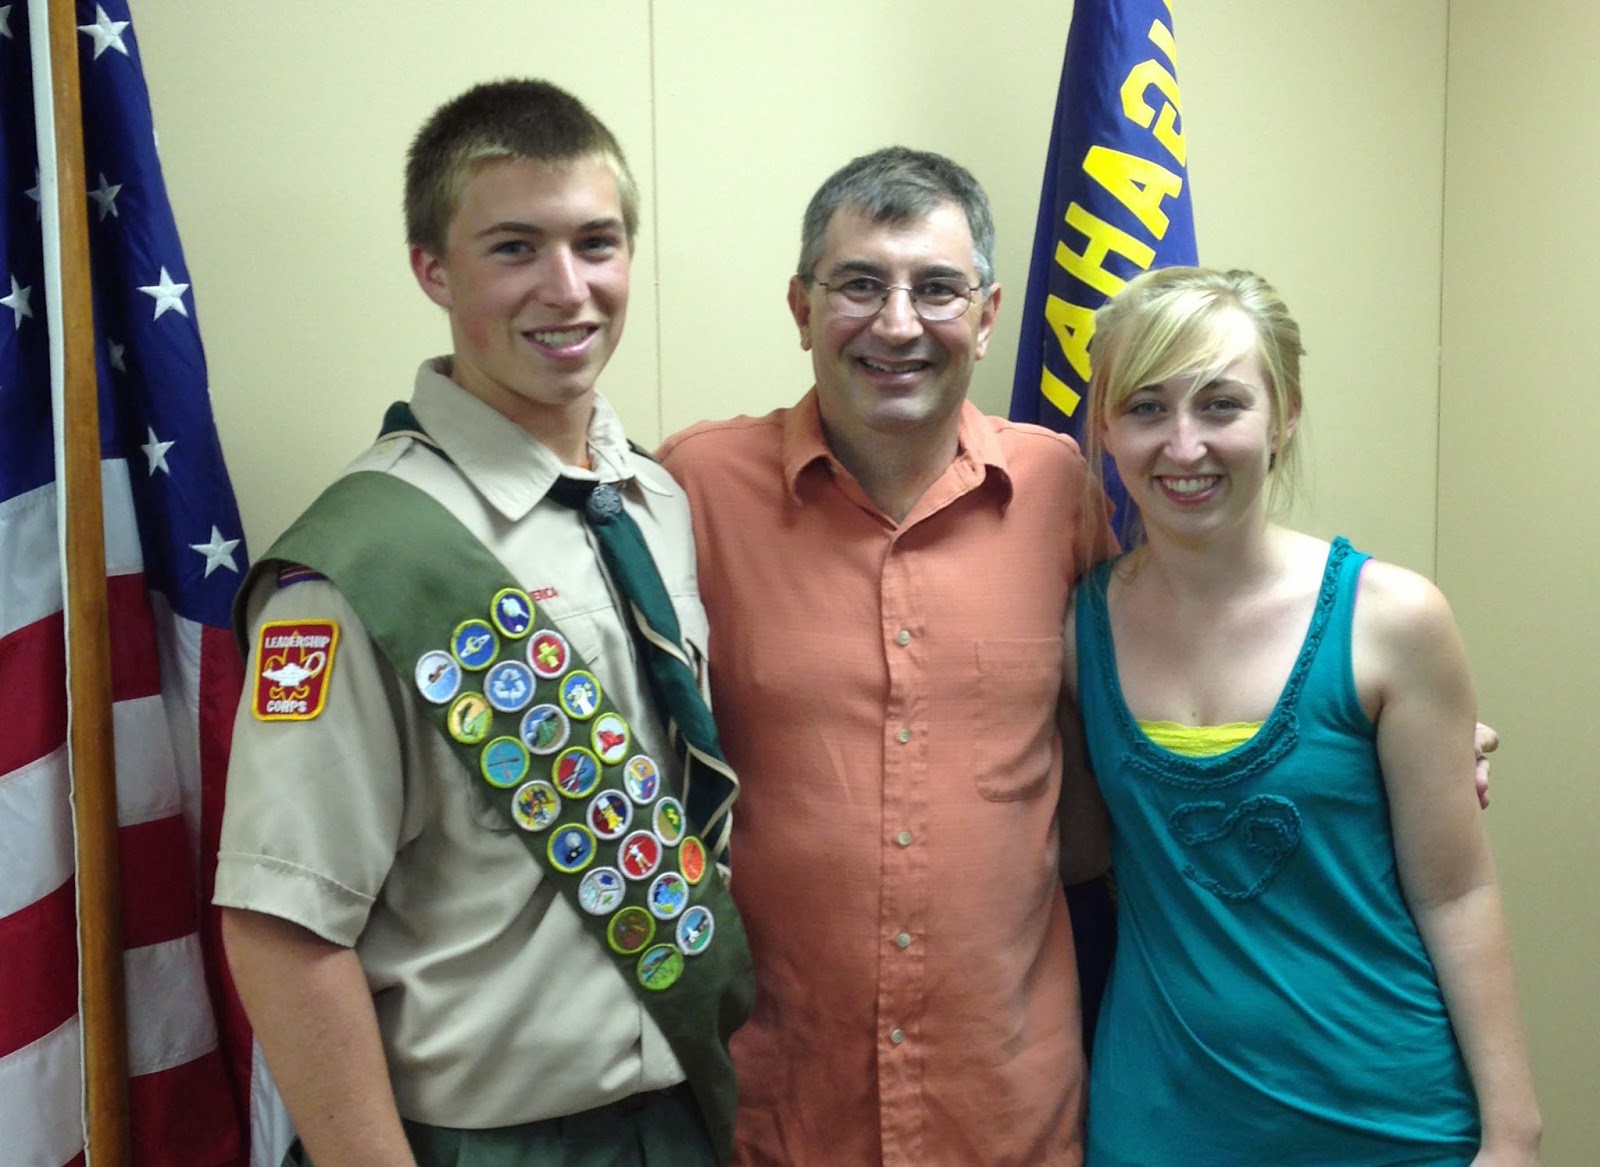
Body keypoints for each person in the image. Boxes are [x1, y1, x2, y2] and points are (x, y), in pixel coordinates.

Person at [215, 80, 753, 1167]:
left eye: (596, 243)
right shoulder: (359, 562)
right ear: (432, 269)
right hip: (477, 1141)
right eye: (514, 248)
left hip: (681, 1114)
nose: (568, 289)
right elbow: (280, 925)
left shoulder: (653, 501)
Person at [659, 147, 1114, 1166]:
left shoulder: (1057, 491)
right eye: (860, 284)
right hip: (775, 1109)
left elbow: (1167, 684)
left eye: (937, 288)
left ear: (989, 313)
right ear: (800, 306)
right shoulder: (692, 489)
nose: (899, 324)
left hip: (1007, 1109)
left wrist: (1367, 743)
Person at [1065, 265, 1541, 1165]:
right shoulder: (1074, 629)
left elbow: (1457, 890)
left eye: (1220, 405)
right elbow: (1074, 849)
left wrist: (1513, 1132)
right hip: (1159, 1123)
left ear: (1282, 415)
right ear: (1105, 429)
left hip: (1389, 1122)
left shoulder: (1390, 621)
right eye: (1146, 408)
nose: (1183, 444)